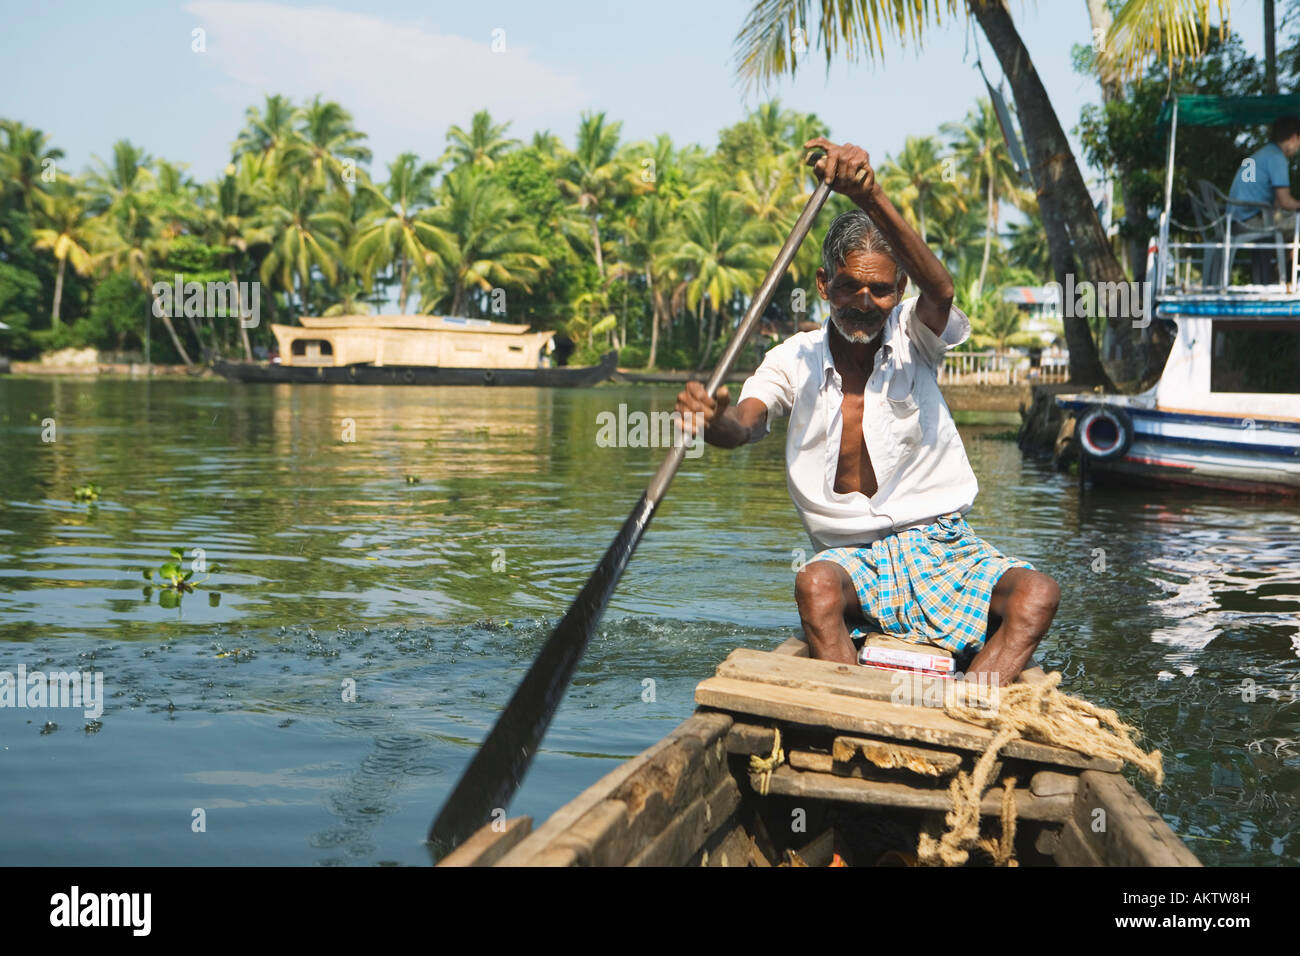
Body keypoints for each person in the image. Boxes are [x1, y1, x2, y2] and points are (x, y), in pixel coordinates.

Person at [675, 138, 1059, 686]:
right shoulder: (792, 359)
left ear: (898, 289)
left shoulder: (914, 335)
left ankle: (971, 711)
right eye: (849, 285)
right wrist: (714, 423)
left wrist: (870, 194)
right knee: (814, 585)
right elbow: (747, 421)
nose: (863, 301)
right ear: (824, 284)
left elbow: (942, 289)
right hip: (854, 558)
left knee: (1038, 594)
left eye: (880, 289)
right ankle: (853, 707)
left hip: (943, 544)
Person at [1227, 114, 1300, 229]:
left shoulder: (1264, 153)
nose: (1298, 147)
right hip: (1250, 223)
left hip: (1235, 222)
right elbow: (1285, 202)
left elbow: (1278, 204)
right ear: (1294, 137)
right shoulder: (1277, 158)